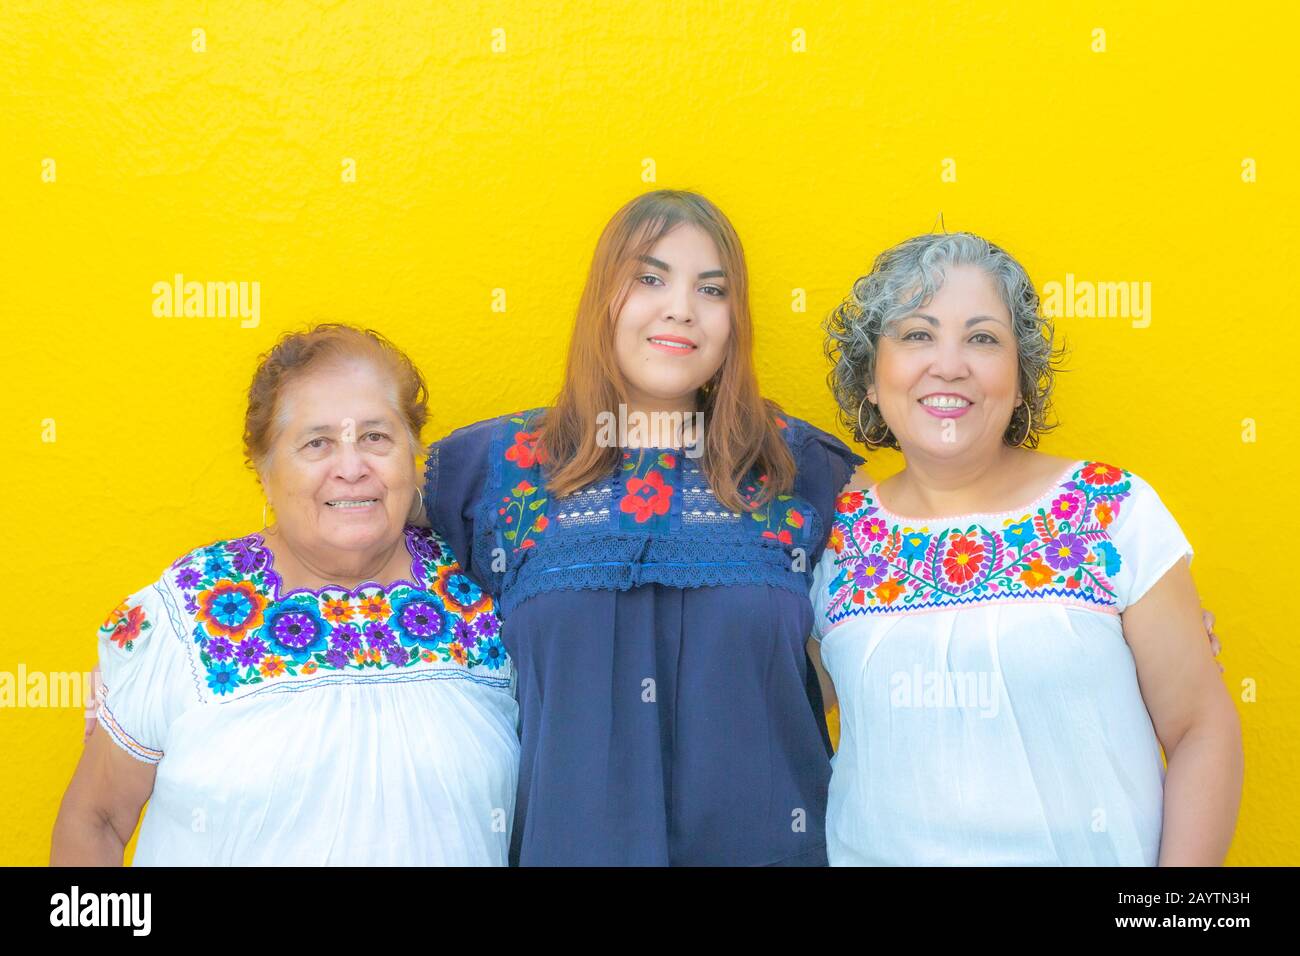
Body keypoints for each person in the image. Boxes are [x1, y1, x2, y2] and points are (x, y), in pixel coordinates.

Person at [425, 190, 864, 865]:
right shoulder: (489, 473)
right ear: (604, 296)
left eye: (711, 290)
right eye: (649, 278)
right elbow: (351, 538)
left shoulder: (805, 471)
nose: (680, 308)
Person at [811, 232, 1243, 865]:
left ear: (1019, 383)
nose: (950, 364)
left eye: (983, 338)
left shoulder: (1109, 512)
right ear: (871, 379)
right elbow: (775, 708)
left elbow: (1201, 729)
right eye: (916, 335)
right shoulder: (833, 538)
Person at [52, 324, 518, 865]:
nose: (350, 467)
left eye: (375, 437)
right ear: (264, 471)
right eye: (316, 442)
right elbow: (97, 821)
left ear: (414, 457)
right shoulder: (187, 610)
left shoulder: (483, 592)